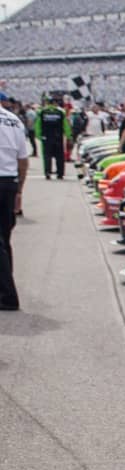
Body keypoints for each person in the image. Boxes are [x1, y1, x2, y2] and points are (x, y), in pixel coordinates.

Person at [0, 96, 26, 310]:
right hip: (9, 183)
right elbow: (23, 159)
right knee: (4, 238)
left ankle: (7, 295)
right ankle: (6, 283)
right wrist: (19, 190)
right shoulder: (14, 120)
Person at [33, 94, 70, 180]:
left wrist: (38, 136)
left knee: (47, 156)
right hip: (58, 138)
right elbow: (66, 125)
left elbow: (38, 125)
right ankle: (60, 173)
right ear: (55, 103)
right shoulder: (60, 112)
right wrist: (68, 136)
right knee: (59, 156)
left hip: (46, 137)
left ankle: (47, 173)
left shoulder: (42, 112)